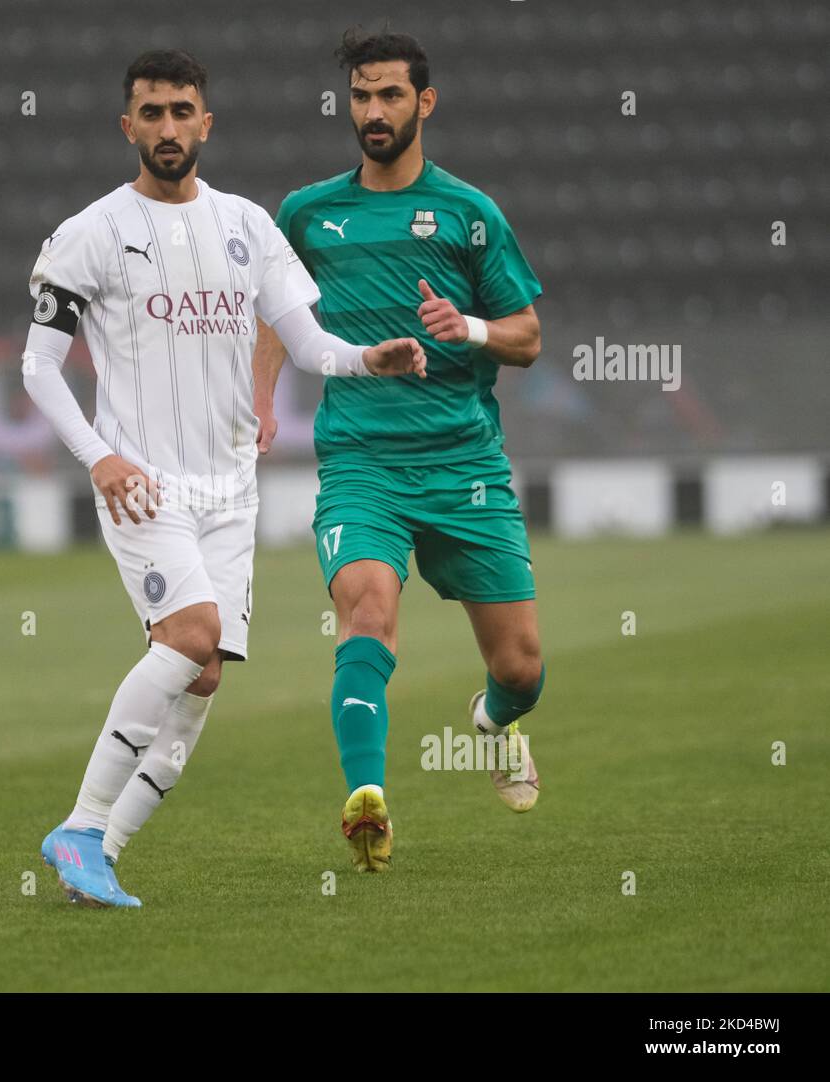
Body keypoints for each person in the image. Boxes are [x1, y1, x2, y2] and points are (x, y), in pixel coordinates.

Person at [22, 48, 427, 906]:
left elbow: (309, 345)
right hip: (145, 484)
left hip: (230, 490)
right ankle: (82, 826)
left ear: (206, 122)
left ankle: (102, 854)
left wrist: (369, 359)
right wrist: (101, 458)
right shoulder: (90, 232)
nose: (167, 128)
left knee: (201, 678)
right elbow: (37, 368)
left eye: (181, 112)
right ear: (127, 126)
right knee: (191, 635)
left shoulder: (246, 224)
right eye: (151, 113)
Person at [254, 29, 546, 873]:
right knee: (368, 615)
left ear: (426, 102)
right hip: (361, 464)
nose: (371, 112)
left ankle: (493, 724)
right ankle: (367, 801)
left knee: (523, 670)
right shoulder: (306, 214)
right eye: (359, 96)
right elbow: (279, 317)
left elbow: (528, 338)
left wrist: (473, 328)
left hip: (465, 467)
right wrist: (261, 403)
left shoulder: (469, 213)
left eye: (389, 96)